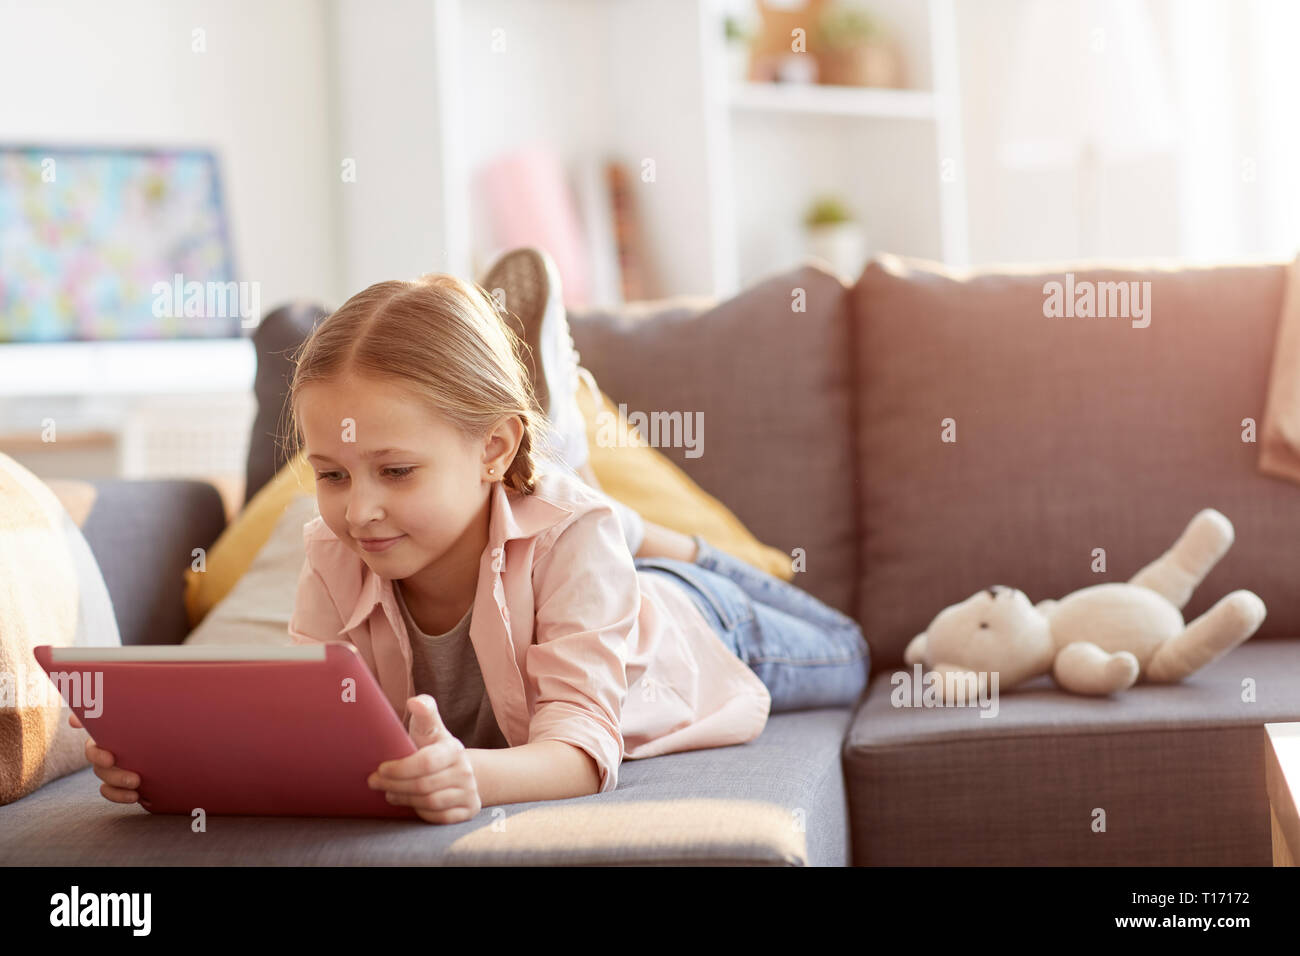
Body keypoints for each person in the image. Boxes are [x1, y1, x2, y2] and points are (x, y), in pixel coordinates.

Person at [74, 248, 869, 823]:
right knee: (575, 530)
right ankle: (603, 511)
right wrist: (181, 770)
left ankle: (637, 530)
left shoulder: (573, 540)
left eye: (395, 471)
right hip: (586, 563)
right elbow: (316, 734)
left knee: (851, 649)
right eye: (333, 474)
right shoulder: (334, 550)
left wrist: (473, 778)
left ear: (492, 448)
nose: (360, 511)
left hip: (695, 624)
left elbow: (581, 753)